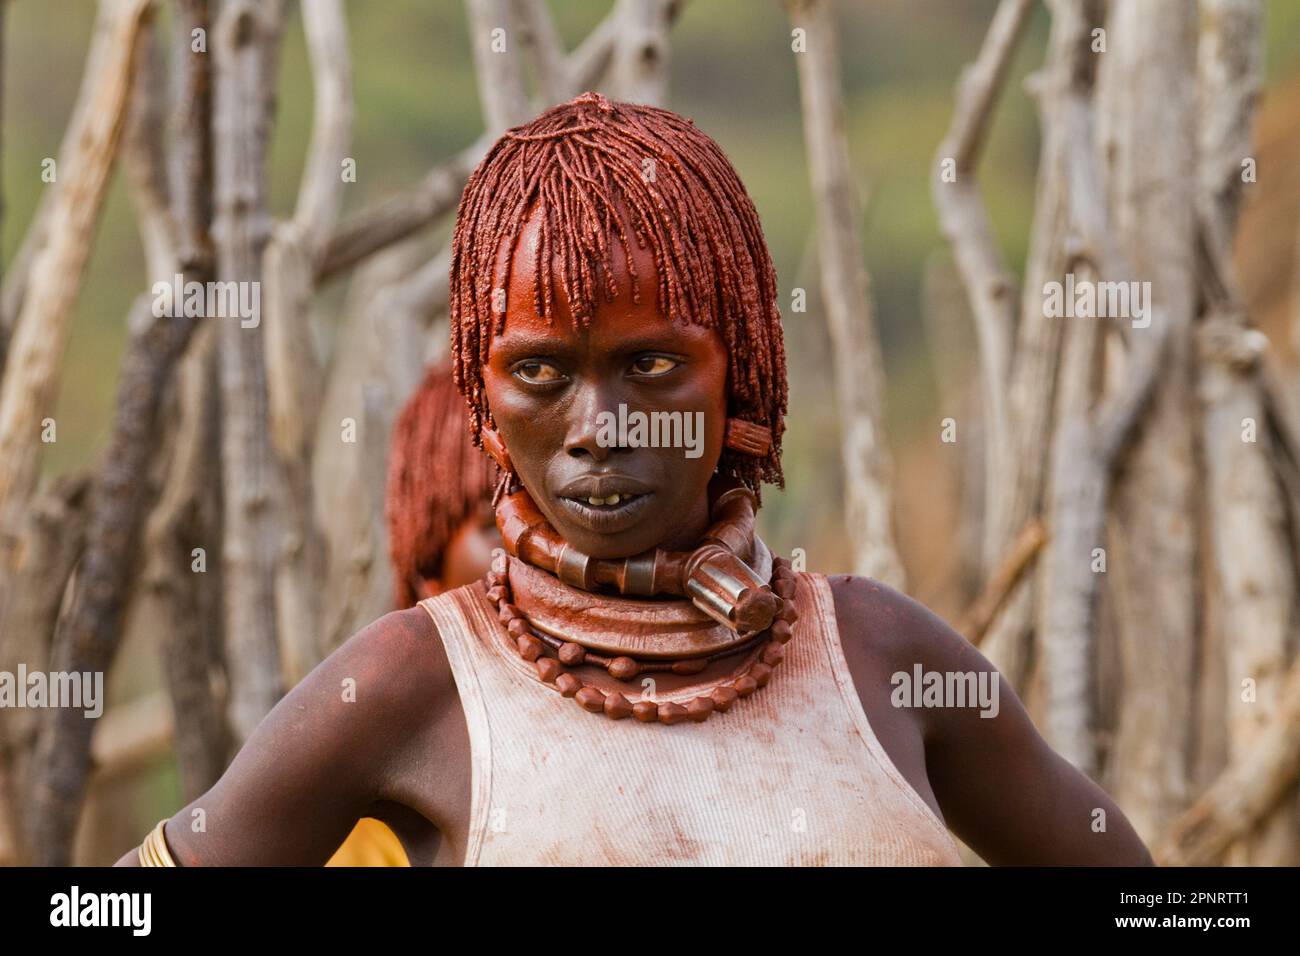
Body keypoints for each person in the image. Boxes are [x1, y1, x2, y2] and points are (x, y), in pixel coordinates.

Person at [117, 92, 1152, 867]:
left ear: (736, 367)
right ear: (481, 393)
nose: (598, 429)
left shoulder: (879, 654)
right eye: (539, 373)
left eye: (650, 363)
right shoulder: (412, 683)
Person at [325, 361, 498, 866]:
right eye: (492, 523)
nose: (527, 547)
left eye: (541, 515)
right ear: (429, 567)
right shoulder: (365, 808)